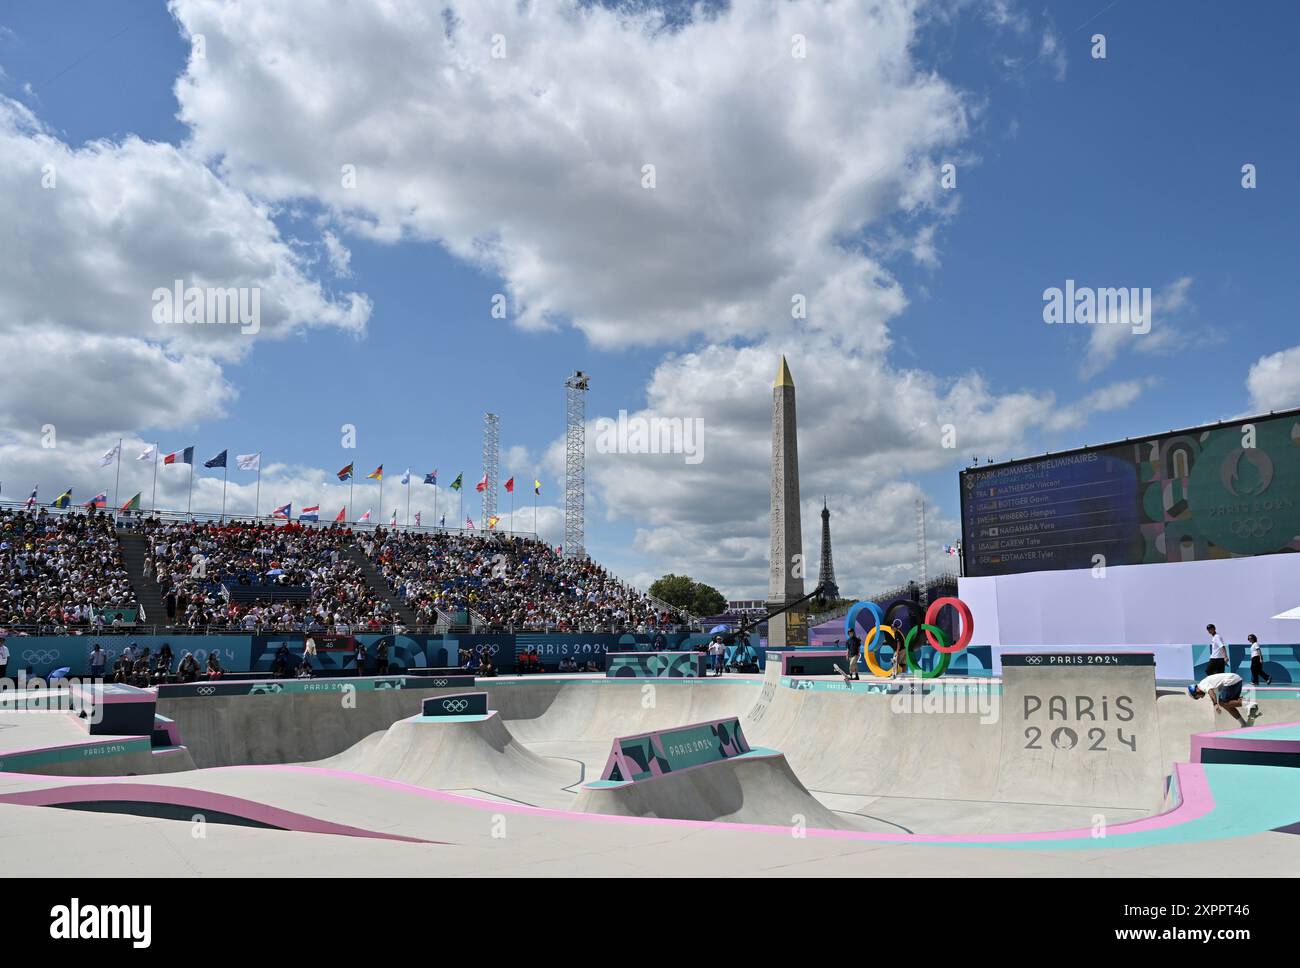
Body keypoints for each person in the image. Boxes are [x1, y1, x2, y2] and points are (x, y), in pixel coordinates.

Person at [1187, 671, 1260, 727]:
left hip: (1230, 680)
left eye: (1198, 697)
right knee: (1227, 705)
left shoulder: (1202, 685)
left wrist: (1215, 704)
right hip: (1236, 680)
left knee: (1222, 702)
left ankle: (1248, 704)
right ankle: (1243, 724)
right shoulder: (1204, 683)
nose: (1201, 697)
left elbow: (1211, 692)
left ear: (1195, 691)